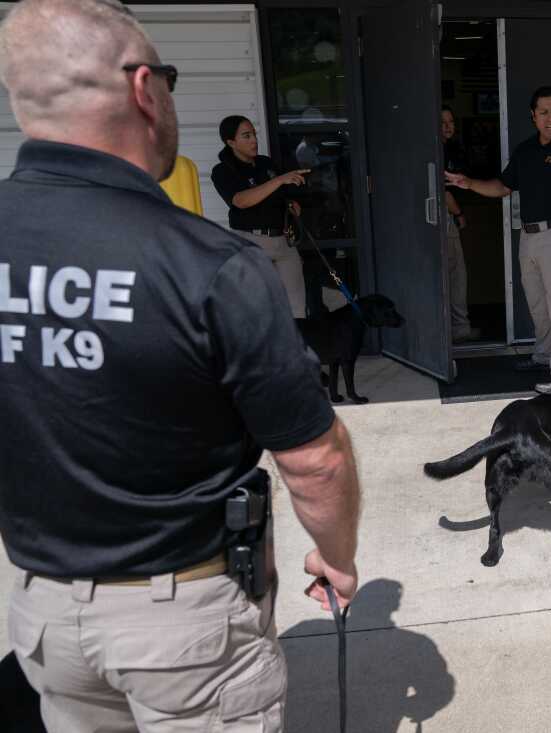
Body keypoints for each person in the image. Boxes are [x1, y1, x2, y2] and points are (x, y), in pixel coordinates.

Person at [0, 1, 361, 730]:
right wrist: (337, 555)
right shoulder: (208, 264)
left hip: (41, 615)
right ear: (143, 89)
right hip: (185, 625)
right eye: (168, 77)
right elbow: (317, 461)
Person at [445, 86, 551, 391]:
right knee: (537, 305)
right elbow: (502, 187)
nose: (550, 118)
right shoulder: (526, 151)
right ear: (533, 116)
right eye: (543, 112)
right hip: (529, 238)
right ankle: (544, 356)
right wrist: (467, 184)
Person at [212, 114, 310, 319]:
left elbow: (280, 196)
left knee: (296, 307)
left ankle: (294, 349)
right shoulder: (222, 171)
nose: (254, 140)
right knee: (258, 307)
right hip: (251, 242)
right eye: (246, 136)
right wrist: (280, 180)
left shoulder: (265, 163)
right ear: (230, 142)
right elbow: (241, 201)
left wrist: (291, 205)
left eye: (254, 135)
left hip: (282, 240)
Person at [441, 105, 478, 342]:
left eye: (451, 121)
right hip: (443, 218)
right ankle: (459, 328)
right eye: (442, 122)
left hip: (442, 217)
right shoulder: (436, 150)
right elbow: (443, 192)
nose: (448, 127)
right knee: (455, 275)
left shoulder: (450, 148)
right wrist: (460, 214)